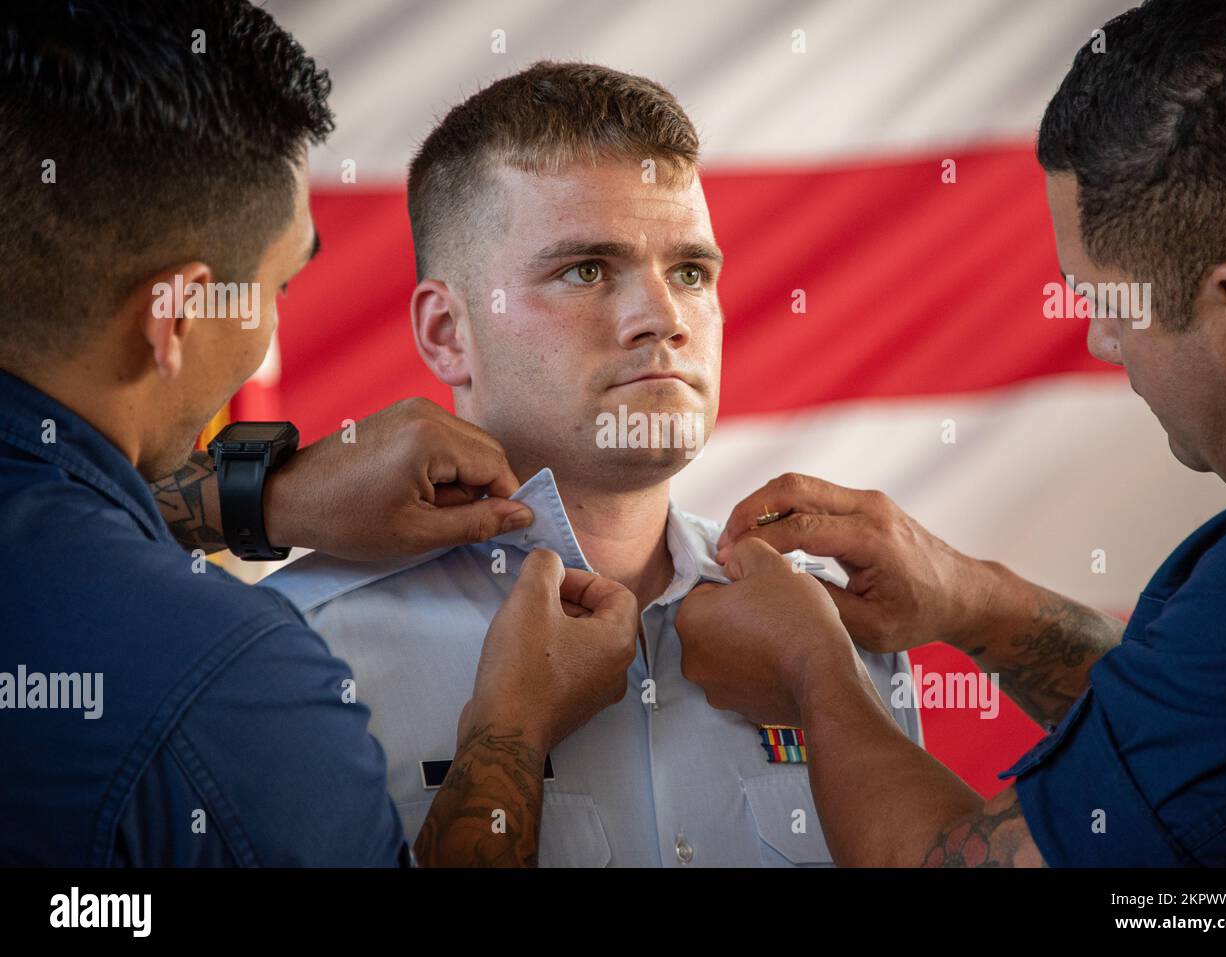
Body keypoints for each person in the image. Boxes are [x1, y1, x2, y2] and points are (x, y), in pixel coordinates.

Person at [0, 0, 638, 867]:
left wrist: (264, 495)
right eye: (278, 288)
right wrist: (509, 734)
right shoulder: (226, 685)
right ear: (179, 313)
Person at [675, 0, 1226, 866]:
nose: (1097, 340)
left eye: (1108, 305)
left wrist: (813, 667)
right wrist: (975, 601)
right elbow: (1208, 732)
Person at [264, 61, 922, 867]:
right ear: (447, 333)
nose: (665, 317)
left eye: (689, 271)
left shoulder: (848, 640)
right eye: (586, 270)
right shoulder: (300, 652)